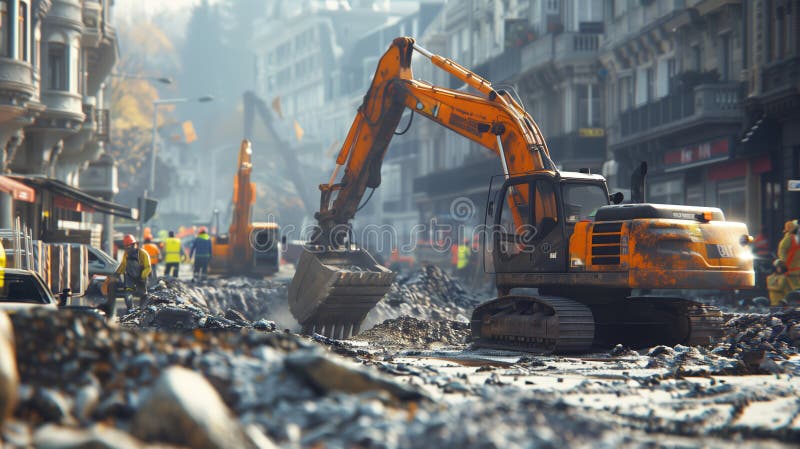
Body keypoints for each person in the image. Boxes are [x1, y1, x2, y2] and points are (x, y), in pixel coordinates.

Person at [115, 234, 152, 310]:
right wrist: (117, 273)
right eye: (126, 247)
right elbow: (123, 265)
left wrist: (142, 276)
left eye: (128, 246)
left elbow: (148, 267)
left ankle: (142, 310)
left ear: (134, 244)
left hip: (141, 277)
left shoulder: (143, 254)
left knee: (143, 295)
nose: (127, 249)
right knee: (128, 293)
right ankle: (130, 309)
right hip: (130, 278)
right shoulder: (126, 254)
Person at [778, 220, 800, 291]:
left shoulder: (789, 239)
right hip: (792, 271)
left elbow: (782, 252)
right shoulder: (791, 239)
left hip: (791, 271)